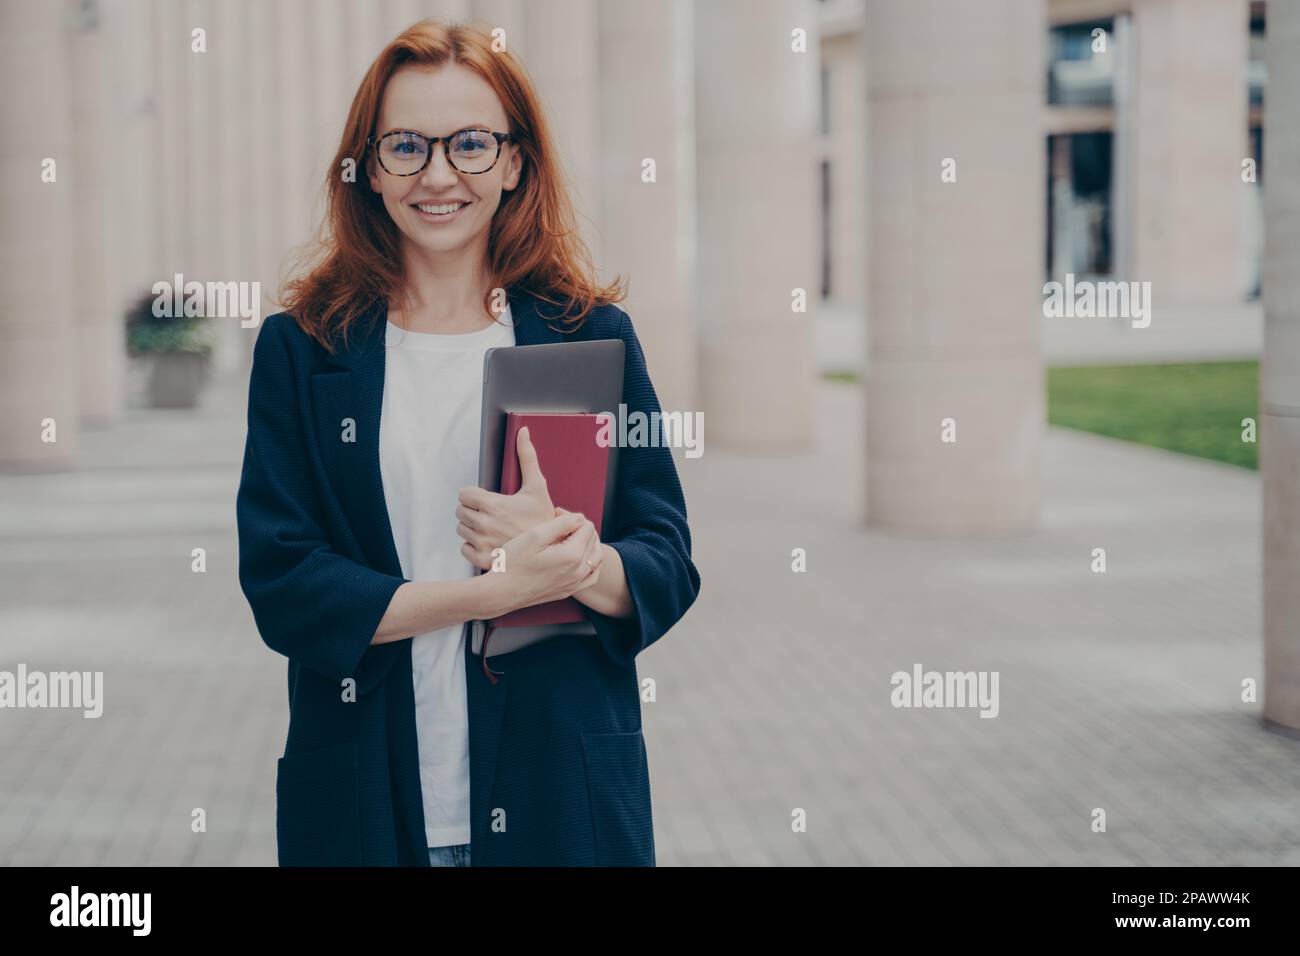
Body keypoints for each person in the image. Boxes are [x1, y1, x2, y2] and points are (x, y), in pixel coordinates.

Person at [235, 19, 700, 867]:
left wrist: (575, 561)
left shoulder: (587, 339)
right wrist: (491, 594)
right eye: (407, 145)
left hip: (559, 797)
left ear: (516, 162)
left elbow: (667, 559)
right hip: (367, 801)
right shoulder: (302, 351)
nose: (439, 174)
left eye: (472, 144)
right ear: (369, 167)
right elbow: (284, 581)